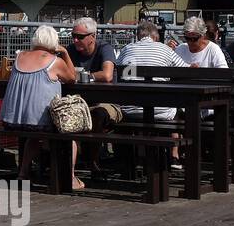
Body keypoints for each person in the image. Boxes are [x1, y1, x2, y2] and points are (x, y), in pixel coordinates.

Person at [1, 25, 81, 190]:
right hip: (39, 122)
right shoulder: (55, 61)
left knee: (34, 136)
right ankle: (70, 177)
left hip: (12, 121)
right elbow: (72, 78)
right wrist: (65, 53)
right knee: (70, 139)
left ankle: (23, 174)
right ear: (54, 42)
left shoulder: (19, 57)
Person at [115, 19, 185, 168]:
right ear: (156, 37)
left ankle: (137, 157)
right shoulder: (164, 49)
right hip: (161, 111)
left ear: (138, 36)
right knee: (178, 109)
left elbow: (121, 73)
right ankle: (173, 155)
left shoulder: (128, 49)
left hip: (129, 109)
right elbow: (186, 70)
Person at [66, 17, 115, 82]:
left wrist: (82, 77)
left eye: (80, 37)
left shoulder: (105, 48)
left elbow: (107, 75)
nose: (75, 40)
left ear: (93, 36)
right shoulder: (70, 49)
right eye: (73, 35)